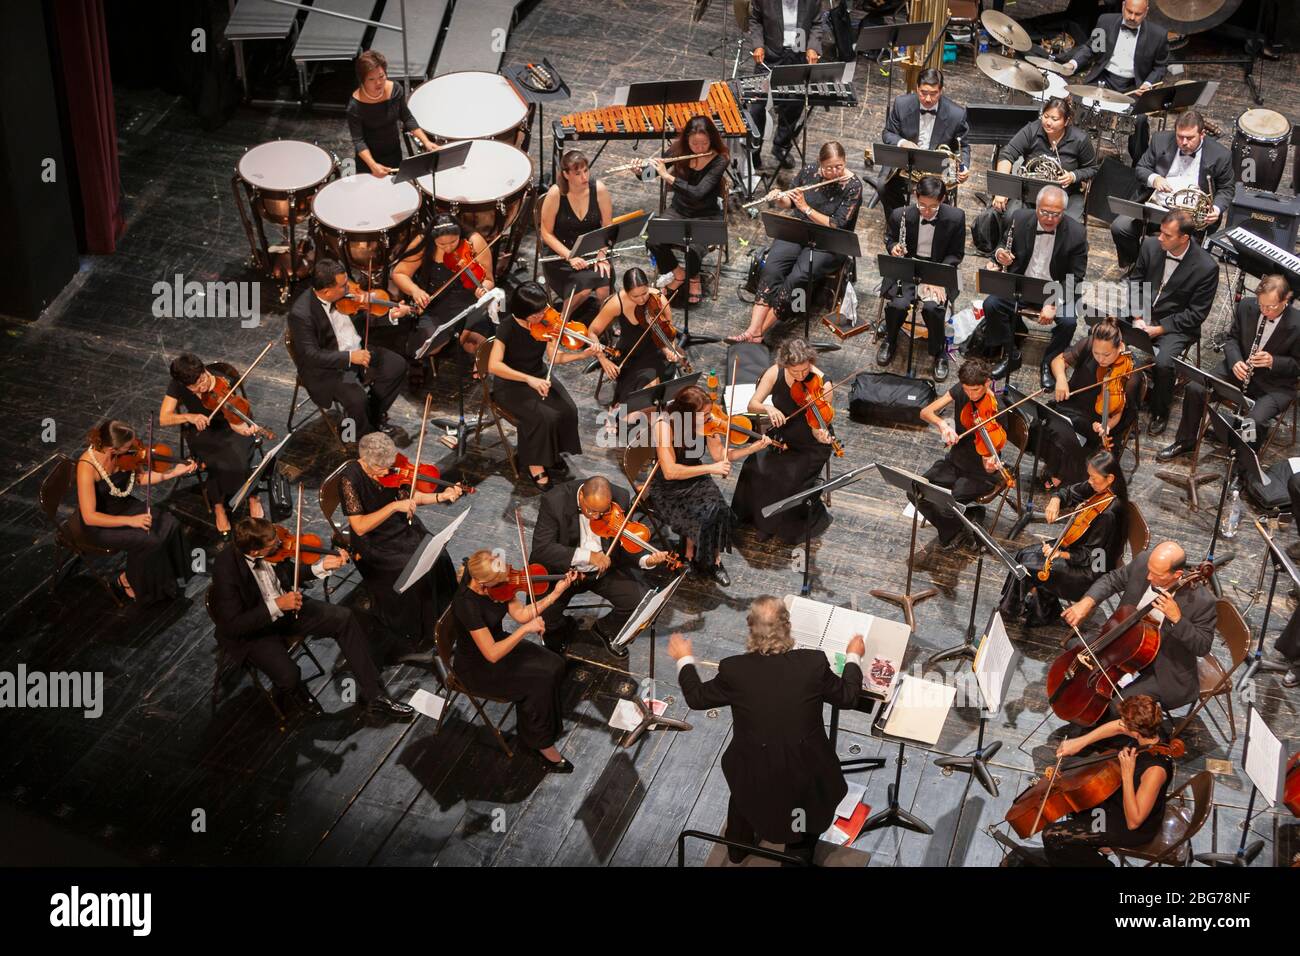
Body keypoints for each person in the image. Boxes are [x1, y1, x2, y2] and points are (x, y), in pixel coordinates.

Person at [668, 595, 865, 864]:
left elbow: (697, 698)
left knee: (744, 797)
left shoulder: (734, 670)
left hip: (752, 771)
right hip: (803, 775)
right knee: (801, 821)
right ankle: (796, 853)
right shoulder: (812, 664)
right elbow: (849, 697)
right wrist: (854, 655)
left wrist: (684, 659)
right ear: (787, 626)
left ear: (750, 625)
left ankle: (738, 847)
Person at [212, 516, 414, 722]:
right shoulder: (226, 570)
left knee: (344, 618)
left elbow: (288, 571)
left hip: (287, 608)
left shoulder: (271, 552)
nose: (280, 544)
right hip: (256, 629)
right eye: (273, 545)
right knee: (289, 677)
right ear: (255, 551)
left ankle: (375, 695)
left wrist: (321, 566)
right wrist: (277, 605)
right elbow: (232, 625)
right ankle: (294, 694)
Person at [453, 549, 576, 771]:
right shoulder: (466, 604)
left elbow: (521, 615)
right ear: (481, 582)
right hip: (477, 666)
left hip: (500, 644)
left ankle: (538, 725)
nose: (506, 585)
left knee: (555, 663)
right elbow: (491, 654)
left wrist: (556, 594)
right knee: (539, 681)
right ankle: (541, 742)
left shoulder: (498, 582)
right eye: (499, 582)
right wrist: (524, 631)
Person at [338, 432, 463, 649]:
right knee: (411, 569)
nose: (388, 471)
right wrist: (394, 506)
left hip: (401, 527)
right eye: (381, 468)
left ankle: (447, 615)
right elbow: (359, 527)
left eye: (389, 465)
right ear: (365, 461)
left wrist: (440, 497)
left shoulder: (392, 466)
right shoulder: (350, 479)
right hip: (374, 541)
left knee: (438, 555)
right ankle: (418, 628)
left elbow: (411, 497)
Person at [728, 141, 862, 343]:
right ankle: (752, 329)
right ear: (820, 164)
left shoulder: (853, 186)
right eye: (829, 168)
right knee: (772, 269)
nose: (834, 172)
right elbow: (790, 202)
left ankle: (759, 334)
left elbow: (837, 224)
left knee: (797, 277)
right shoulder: (809, 171)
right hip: (799, 230)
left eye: (839, 166)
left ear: (845, 162)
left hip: (829, 241)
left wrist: (806, 207)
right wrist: (778, 198)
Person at [1158, 275, 1300, 463]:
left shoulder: (1297, 324)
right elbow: (1231, 338)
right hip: (1238, 370)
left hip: (1275, 384)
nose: (1264, 312)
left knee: (1254, 422)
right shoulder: (1246, 306)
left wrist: (1273, 361)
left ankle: (1243, 468)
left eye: (1271, 307)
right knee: (1195, 389)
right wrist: (1235, 361)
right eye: (1261, 305)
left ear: (1285, 300)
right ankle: (1186, 442)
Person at [1062, 541, 1216, 714]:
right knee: (1074, 650)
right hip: (1125, 644)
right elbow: (1112, 580)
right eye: (1149, 570)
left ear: (1177, 574)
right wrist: (1086, 602)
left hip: (1163, 663)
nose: (1149, 577)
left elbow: (1202, 646)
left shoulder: (1202, 602)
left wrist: (1177, 619)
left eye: (1156, 574)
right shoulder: (1144, 562)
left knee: (1117, 707)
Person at [530, 475, 673, 657]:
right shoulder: (555, 501)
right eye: (591, 511)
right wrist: (588, 556)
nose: (597, 517)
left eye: (602, 512)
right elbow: (542, 549)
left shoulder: (619, 497)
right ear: (581, 496)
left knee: (640, 602)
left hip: (603, 571)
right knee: (540, 614)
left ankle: (605, 628)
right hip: (563, 573)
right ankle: (560, 627)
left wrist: (646, 560)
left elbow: (625, 542)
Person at [648, 384, 770, 585]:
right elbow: (670, 472)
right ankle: (688, 556)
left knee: (719, 509)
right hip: (668, 487)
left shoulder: (707, 424)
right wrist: (711, 469)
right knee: (699, 516)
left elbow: (720, 455)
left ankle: (714, 560)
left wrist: (752, 448)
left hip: (694, 474)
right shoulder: (664, 426)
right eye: (704, 414)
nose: (710, 417)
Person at [1040, 695, 1174, 866]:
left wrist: (1127, 774)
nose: (1121, 724)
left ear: (1135, 731)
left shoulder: (1155, 771)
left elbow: (1134, 821)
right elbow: (1117, 727)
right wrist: (1081, 742)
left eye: (1125, 722)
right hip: (1116, 804)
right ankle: (1087, 849)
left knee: (1052, 835)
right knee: (1079, 801)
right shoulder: (1151, 732)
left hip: (1126, 826)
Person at [998, 451, 1128, 627]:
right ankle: (1041, 610)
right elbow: (1071, 492)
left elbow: (1093, 556)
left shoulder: (1109, 514)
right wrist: (1056, 499)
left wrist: (1059, 554)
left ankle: (1009, 611)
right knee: (1022, 554)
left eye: (1093, 478)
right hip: (1077, 546)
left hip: (1091, 570)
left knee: (1027, 566)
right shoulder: (1100, 486)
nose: (1089, 481)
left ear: (1110, 478)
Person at [287, 259, 410, 441]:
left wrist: (391, 314)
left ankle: (372, 417)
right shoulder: (301, 314)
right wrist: (351, 357)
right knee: (356, 399)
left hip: (357, 350)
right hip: (330, 368)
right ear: (327, 291)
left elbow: (365, 317)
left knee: (396, 366)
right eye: (343, 286)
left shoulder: (345, 297)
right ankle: (355, 437)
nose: (350, 289)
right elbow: (311, 356)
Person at [980, 185, 1089, 387]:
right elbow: (1002, 245)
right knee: (991, 305)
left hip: (1054, 289)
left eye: (1055, 214)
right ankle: (1010, 353)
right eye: (1044, 212)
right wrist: (999, 256)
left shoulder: (1077, 233)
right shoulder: (1019, 218)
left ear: (1063, 212)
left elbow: (1076, 277)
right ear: (1036, 207)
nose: (1048, 218)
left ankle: (1049, 362)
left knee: (1068, 322)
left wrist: (1053, 301)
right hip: (1021, 284)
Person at [1125, 209, 1220, 437]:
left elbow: (1196, 314)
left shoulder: (1207, 267)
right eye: (1161, 232)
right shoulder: (1150, 245)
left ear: (1184, 238)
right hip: (1145, 313)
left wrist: (1159, 328)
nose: (1160, 238)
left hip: (1176, 324)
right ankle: (1118, 397)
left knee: (1163, 362)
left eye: (1167, 235)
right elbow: (1135, 281)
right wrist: (1138, 315)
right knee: (1103, 331)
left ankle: (1160, 411)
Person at [75, 420, 192, 604]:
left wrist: (173, 472)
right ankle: (128, 580)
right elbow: (90, 517)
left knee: (170, 523)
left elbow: (141, 478)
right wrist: (131, 522)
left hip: (124, 505)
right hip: (102, 523)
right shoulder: (87, 466)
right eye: (129, 446)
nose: (135, 449)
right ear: (113, 449)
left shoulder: (127, 455)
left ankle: (170, 578)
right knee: (150, 540)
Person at [731, 338, 835, 543]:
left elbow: (817, 427)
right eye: (794, 371)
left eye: (805, 370)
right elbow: (753, 404)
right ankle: (751, 517)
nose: (800, 376)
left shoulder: (823, 384)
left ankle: (770, 526)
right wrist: (768, 408)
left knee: (785, 478)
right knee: (754, 465)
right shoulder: (775, 372)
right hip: (781, 434)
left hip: (810, 444)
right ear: (785, 365)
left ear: (811, 362)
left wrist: (820, 434)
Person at [488, 281, 586, 488]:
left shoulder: (545, 323)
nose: (544, 316)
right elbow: (493, 366)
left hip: (538, 374)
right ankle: (535, 463)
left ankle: (552, 453)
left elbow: (553, 358)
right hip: (511, 383)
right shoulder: (507, 326)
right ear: (524, 313)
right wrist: (528, 379)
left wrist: (583, 354)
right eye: (537, 314)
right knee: (543, 417)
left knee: (569, 410)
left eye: (544, 310)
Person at [1109, 111, 1233, 270]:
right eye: (1180, 136)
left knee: (1186, 249)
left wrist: (1216, 209)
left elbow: (1227, 188)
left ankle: (1170, 276)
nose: (1184, 142)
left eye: (1190, 138)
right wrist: (1155, 179)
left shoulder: (1221, 155)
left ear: (1202, 134)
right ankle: (1138, 264)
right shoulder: (1160, 140)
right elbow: (1141, 168)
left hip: (1190, 217)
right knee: (1120, 228)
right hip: (1157, 207)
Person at [973, 97, 1097, 255]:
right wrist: (1002, 190)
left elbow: (1093, 168)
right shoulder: (1032, 129)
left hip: (1066, 195)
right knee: (1011, 215)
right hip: (1030, 191)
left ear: (1067, 121)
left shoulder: (1080, 139)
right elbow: (1007, 154)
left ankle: (1052, 258)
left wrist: (1073, 175)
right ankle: (1010, 253)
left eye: (1055, 119)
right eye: (1045, 116)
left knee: (1069, 227)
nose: (1048, 122)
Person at [159, 352, 264, 536]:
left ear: (203, 370)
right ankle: (218, 506)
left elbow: (234, 419)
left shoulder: (221, 379)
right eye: (195, 386)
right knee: (215, 460)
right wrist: (189, 416)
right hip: (203, 430)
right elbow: (163, 418)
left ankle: (253, 496)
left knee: (236, 459)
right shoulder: (178, 383)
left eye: (202, 379)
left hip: (230, 424)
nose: (202, 387)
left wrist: (242, 429)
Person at [1056, 0, 1169, 162]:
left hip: (1133, 85)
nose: (1132, 17)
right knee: (1072, 104)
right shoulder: (1106, 21)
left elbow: (1160, 67)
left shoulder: (1157, 35)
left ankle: (1140, 164)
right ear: (1123, 6)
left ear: (1146, 12)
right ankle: (1067, 152)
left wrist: (1147, 84)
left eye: (1137, 14)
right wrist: (1073, 63)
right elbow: (1092, 48)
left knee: (1141, 119)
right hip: (1103, 79)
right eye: (1129, 11)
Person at [877, 175, 965, 382]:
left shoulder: (956, 217)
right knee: (898, 305)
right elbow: (889, 237)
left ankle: (939, 351)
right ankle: (890, 339)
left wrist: (938, 276)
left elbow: (956, 254)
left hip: (938, 269)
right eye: (922, 205)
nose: (926, 211)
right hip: (907, 267)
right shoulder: (901, 214)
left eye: (932, 207)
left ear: (942, 200)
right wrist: (893, 248)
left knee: (933, 308)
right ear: (916, 196)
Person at [913, 358, 1006, 550]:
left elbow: (991, 454)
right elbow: (926, 412)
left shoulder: (998, 411)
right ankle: (960, 526)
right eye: (967, 390)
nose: (970, 395)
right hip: (955, 461)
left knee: (946, 506)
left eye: (976, 390)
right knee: (914, 490)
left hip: (979, 473)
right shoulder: (962, 389)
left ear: (987, 382)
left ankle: (954, 529)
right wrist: (943, 425)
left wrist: (990, 464)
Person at [1040, 318, 1142, 488]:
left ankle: (1062, 473)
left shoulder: (1131, 371)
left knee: (1086, 453)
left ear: (1119, 346)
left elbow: (1120, 411)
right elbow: (1058, 361)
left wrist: (1107, 425)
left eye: (1107, 355)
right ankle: (1057, 465)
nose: (1100, 359)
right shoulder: (1089, 344)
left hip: (1100, 421)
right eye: (1096, 353)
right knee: (1045, 425)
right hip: (1074, 406)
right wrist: (1061, 379)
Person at [643, 115, 729, 304]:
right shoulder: (677, 149)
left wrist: (668, 177)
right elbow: (652, 172)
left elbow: (699, 192)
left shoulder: (720, 160)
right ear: (686, 140)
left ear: (711, 140)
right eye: (694, 144)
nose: (699, 149)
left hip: (706, 215)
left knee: (693, 248)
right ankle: (679, 273)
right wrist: (641, 171)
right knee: (654, 238)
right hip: (679, 210)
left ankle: (694, 276)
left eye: (704, 144)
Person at [391, 213, 496, 361]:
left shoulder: (474, 241)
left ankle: (457, 341)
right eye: (441, 244)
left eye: (453, 242)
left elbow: (489, 279)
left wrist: (484, 289)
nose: (448, 248)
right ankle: (451, 342)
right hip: (436, 305)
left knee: (481, 347)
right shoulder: (424, 241)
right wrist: (415, 290)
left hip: (469, 301)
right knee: (425, 347)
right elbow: (399, 273)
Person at [877, 67, 970, 223]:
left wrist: (964, 167)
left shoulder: (957, 114)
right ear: (916, 88)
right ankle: (898, 222)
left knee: (940, 197)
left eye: (933, 94)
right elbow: (887, 134)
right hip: (905, 162)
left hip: (936, 169)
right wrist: (903, 142)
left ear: (941, 91)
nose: (927, 99)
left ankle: (934, 227)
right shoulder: (901, 104)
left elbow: (964, 146)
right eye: (923, 92)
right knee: (882, 186)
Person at [745, 0, 827, 169]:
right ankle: (754, 149)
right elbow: (755, 20)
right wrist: (758, 44)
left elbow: (817, 23)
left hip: (797, 56)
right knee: (758, 107)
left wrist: (812, 46)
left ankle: (780, 145)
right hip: (770, 56)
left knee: (794, 104)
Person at [588, 268, 678, 409]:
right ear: (626, 291)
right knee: (639, 391)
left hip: (656, 350)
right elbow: (592, 331)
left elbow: (669, 331)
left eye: (644, 293)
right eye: (635, 296)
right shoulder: (616, 303)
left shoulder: (658, 297)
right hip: (629, 354)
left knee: (649, 385)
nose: (641, 299)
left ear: (648, 286)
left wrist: (669, 349)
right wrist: (603, 359)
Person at [538, 150, 613, 310]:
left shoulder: (599, 190)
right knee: (582, 289)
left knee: (603, 287)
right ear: (566, 174)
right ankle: (563, 324)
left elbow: (607, 227)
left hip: (592, 250)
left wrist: (601, 254)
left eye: (586, 171)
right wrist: (570, 256)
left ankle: (604, 323)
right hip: (561, 254)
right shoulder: (555, 193)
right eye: (578, 173)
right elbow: (546, 233)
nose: (584, 177)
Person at [347, 50, 435, 177]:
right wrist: (373, 165)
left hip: (393, 152)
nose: (378, 83)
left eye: (381, 76)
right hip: (369, 160)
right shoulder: (355, 107)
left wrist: (426, 142)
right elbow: (358, 141)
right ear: (362, 80)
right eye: (371, 79)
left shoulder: (395, 90)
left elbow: (407, 117)